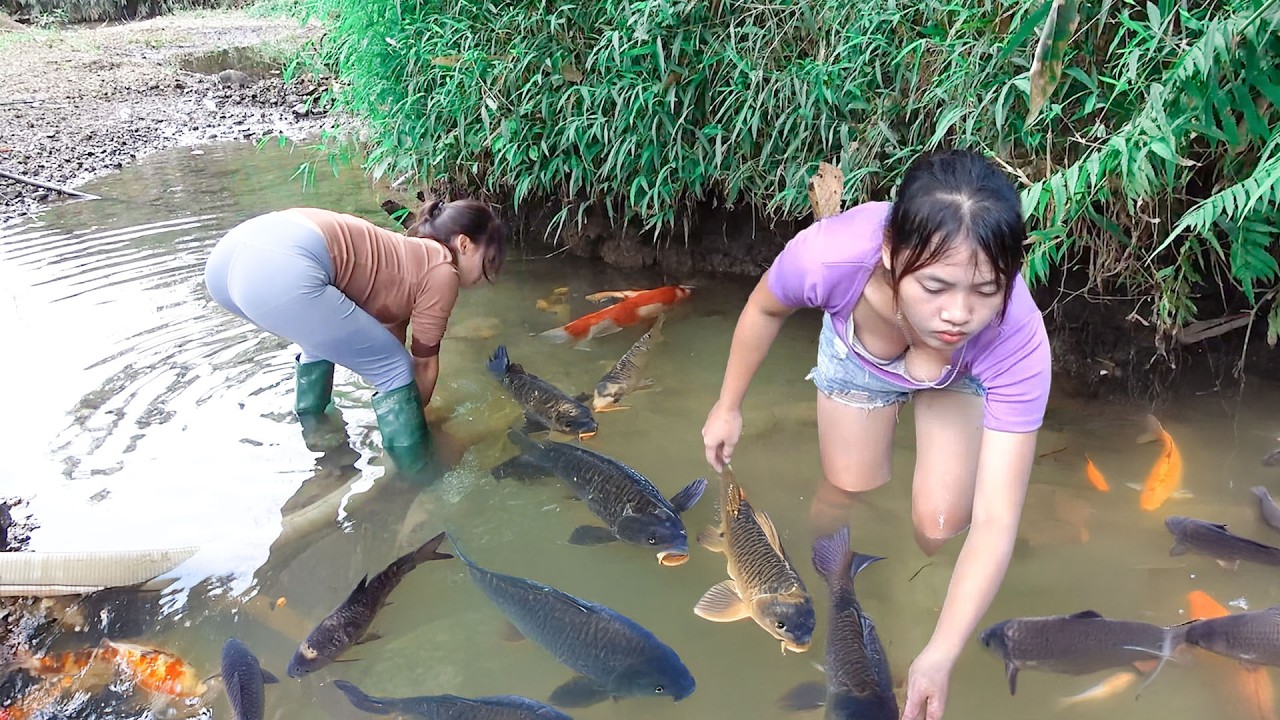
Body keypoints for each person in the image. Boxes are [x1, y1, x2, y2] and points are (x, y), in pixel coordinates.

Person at [700, 149, 1050, 720]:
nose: (958, 313)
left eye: (986, 289)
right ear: (890, 253)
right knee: (846, 486)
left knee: (939, 528)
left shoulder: (1015, 336)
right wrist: (728, 405)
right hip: (861, 354)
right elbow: (764, 310)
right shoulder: (830, 256)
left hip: (958, 373)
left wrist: (939, 653)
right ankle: (828, 572)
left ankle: (933, 579)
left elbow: (996, 519)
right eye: (935, 286)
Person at [203, 199, 507, 464]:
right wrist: (418, 422)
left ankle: (317, 432)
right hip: (278, 264)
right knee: (395, 368)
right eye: (489, 261)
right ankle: (414, 471)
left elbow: (384, 339)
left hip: (231, 257)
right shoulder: (443, 272)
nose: (488, 274)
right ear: (464, 244)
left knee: (320, 342)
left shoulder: (406, 256)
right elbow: (422, 364)